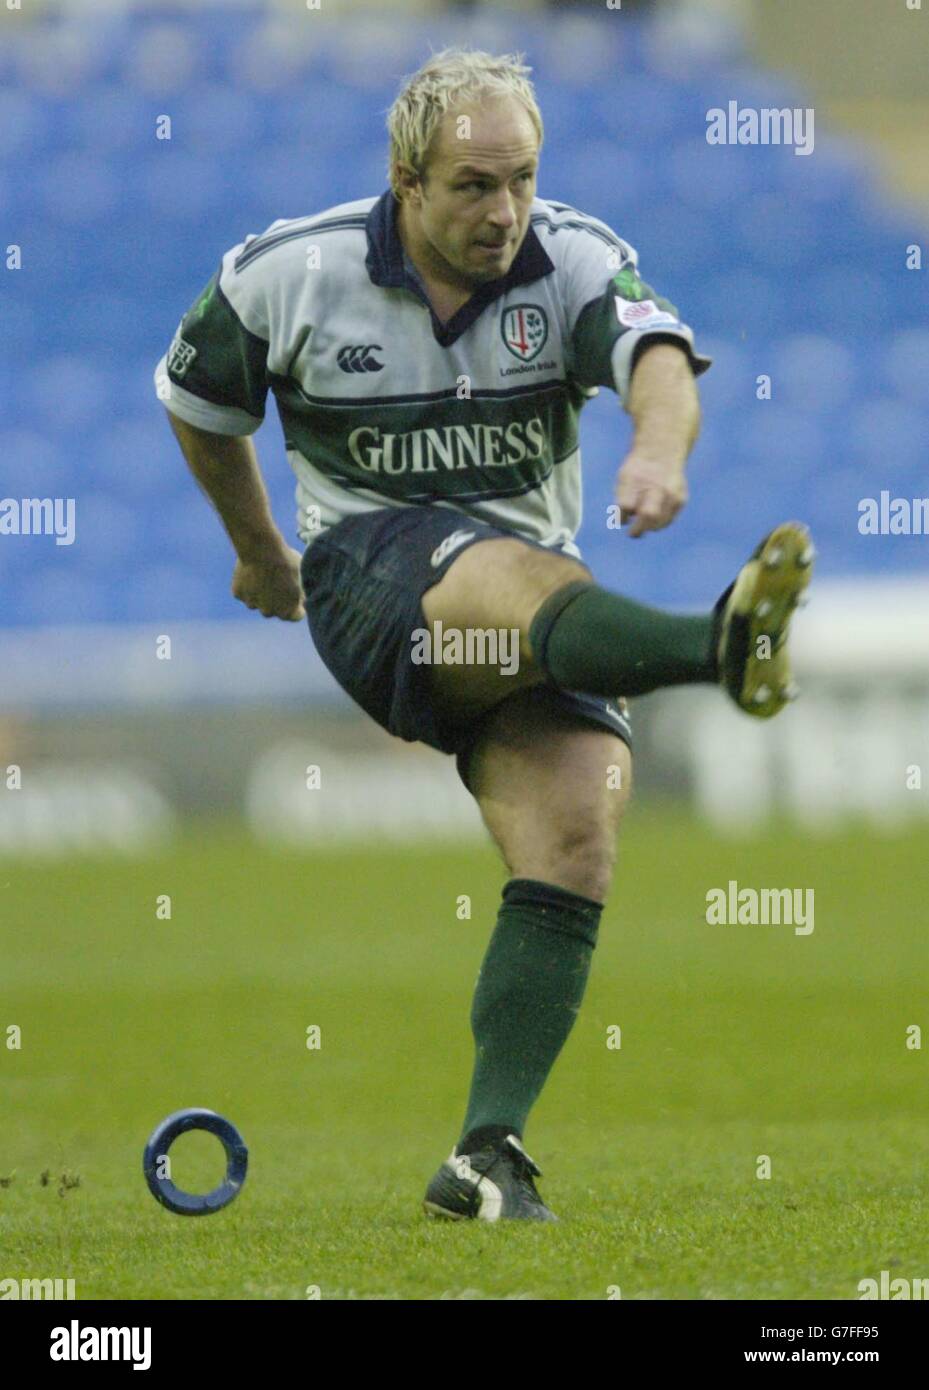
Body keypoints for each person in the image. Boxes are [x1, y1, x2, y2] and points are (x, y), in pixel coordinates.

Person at [155, 47, 813, 1222]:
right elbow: (198, 401)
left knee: (578, 826)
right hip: (371, 583)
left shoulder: (569, 257)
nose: (500, 210)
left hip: (533, 613)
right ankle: (718, 649)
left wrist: (655, 450)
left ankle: (483, 1156)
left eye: (516, 180)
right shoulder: (287, 274)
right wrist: (260, 551)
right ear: (406, 180)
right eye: (470, 185)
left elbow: (655, 357)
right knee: (496, 571)